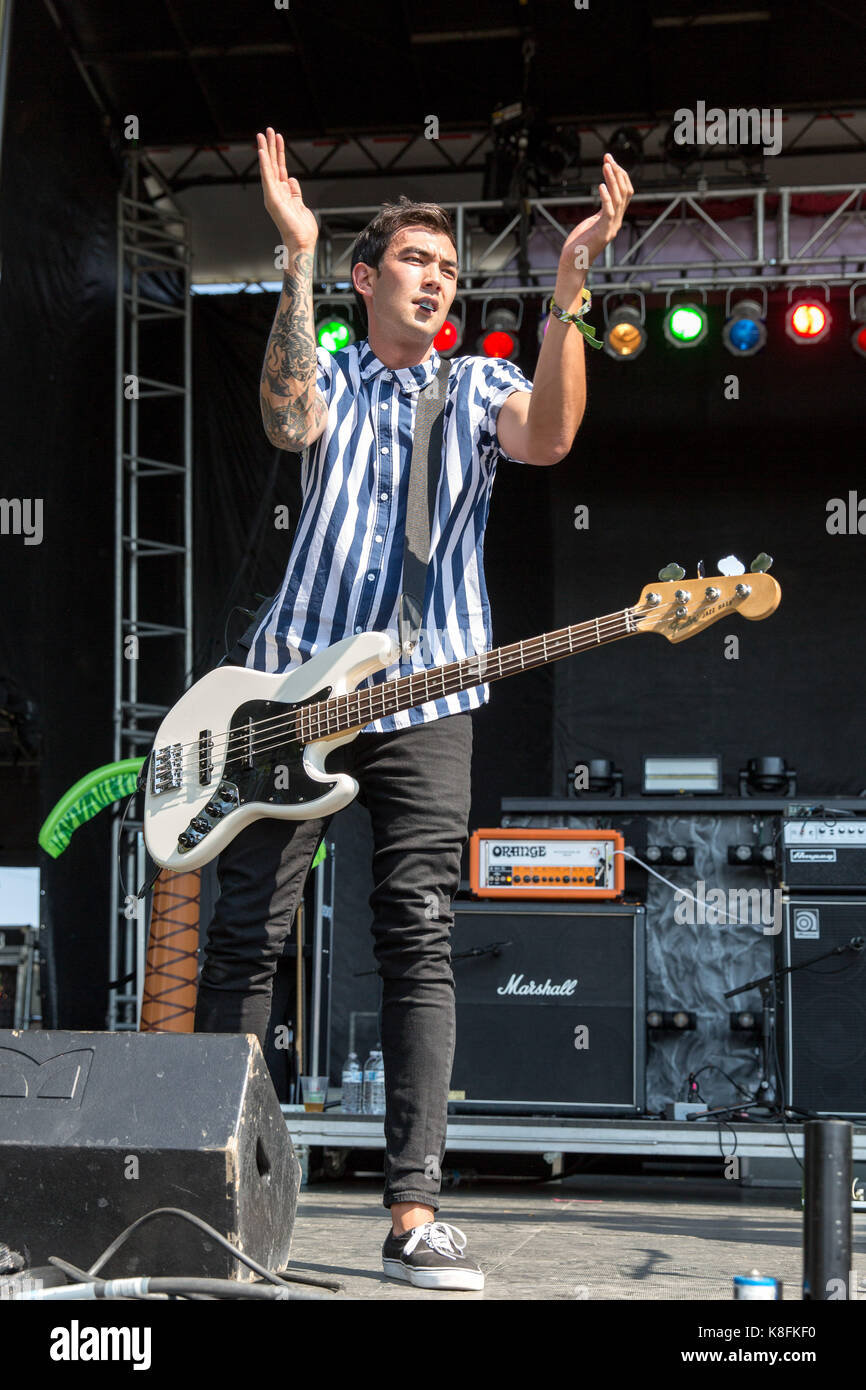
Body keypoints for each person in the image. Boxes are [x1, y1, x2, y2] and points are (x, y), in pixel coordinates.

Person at [194, 126, 633, 1292]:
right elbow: (288, 422)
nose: (438, 277)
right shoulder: (330, 368)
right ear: (365, 275)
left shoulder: (480, 379)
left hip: (430, 689)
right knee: (247, 937)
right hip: (292, 694)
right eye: (414, 260)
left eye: (448, 266)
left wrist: (570, 286)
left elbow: (549, 435)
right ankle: (208, 1192)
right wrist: (291, 258)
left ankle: (411, 1212)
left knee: (417, 934)